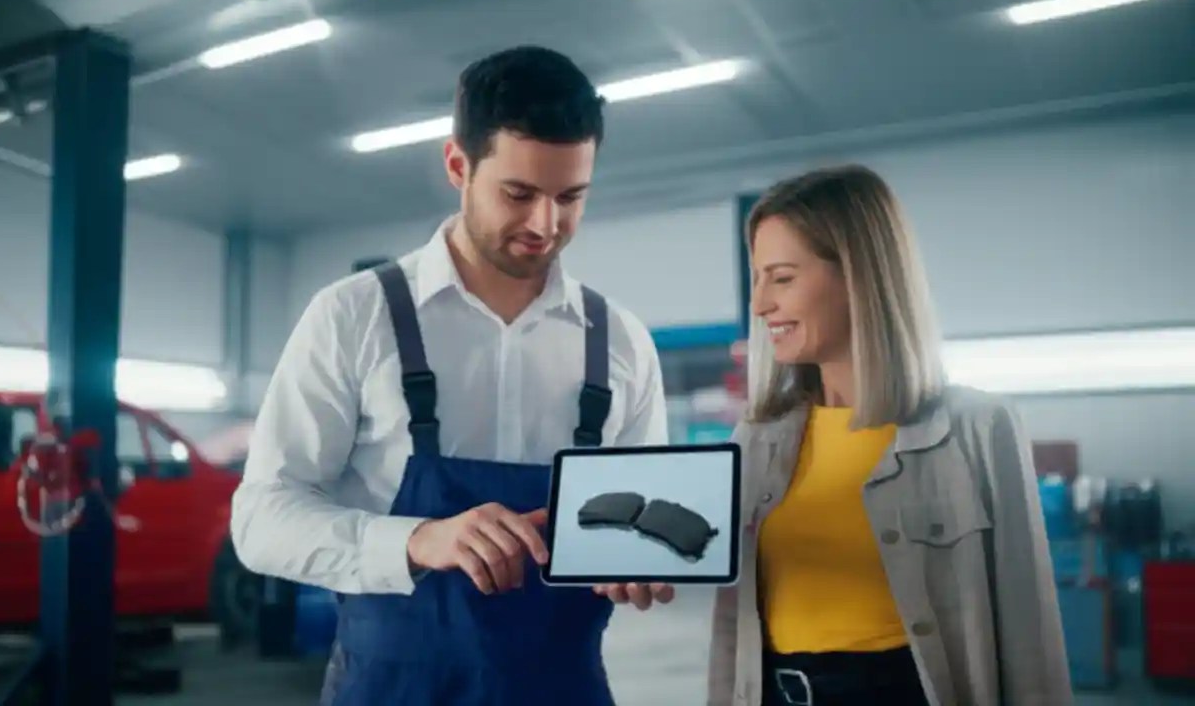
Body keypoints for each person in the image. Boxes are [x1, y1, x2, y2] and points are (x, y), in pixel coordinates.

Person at [230, 45, 673, 706]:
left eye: (571, 196)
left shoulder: (622, 343)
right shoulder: (353, 316)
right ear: (458, 166)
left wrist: (641, 562)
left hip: (563, 687)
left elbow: (648, 523)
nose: (545, 225)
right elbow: (261, 520)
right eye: (518, 194)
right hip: (390, 687)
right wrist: (417, 539)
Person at [707, 165, 1072, 706]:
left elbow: (1028, 633)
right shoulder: (754, 440)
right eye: (757, 278)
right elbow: (731, 624)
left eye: (781, 278)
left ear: (859, 275)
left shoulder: (976, 429)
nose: (759, 305)